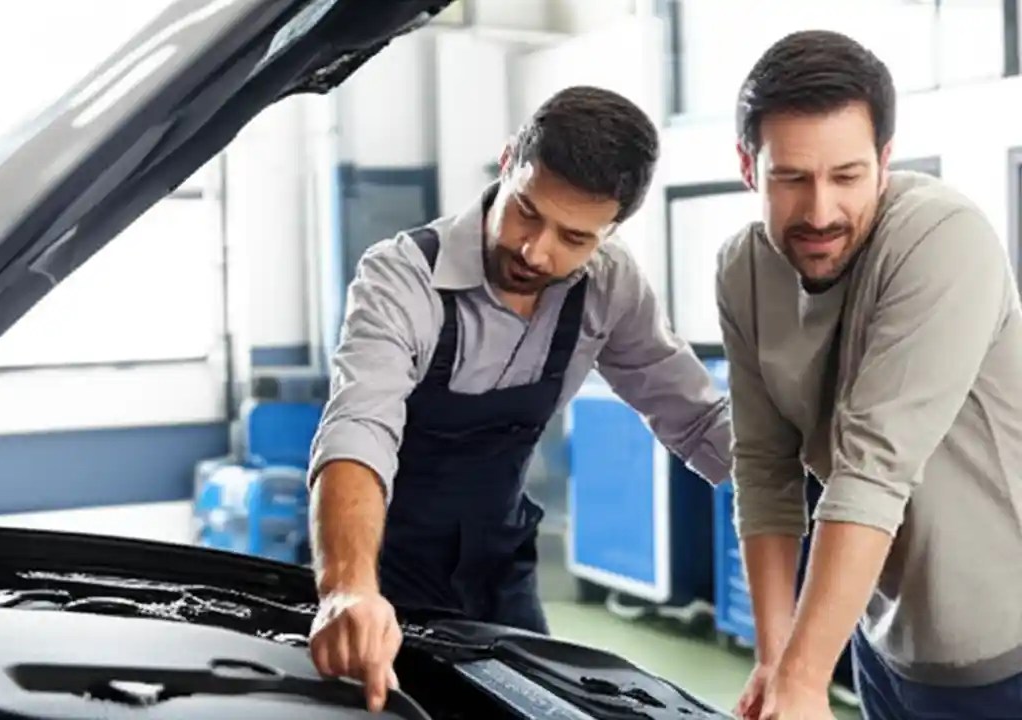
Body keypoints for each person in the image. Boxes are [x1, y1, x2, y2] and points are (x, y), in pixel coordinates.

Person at [305, 85, 733, 712]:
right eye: (527, 211)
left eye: (575, 237)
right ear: (508, 162)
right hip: (382, 573)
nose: (537, 251)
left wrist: (818, 506)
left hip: (503, 574)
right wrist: (347, 589)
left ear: (610, 230)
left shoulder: (609, 287)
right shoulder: (401, 277)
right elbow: (357, 428)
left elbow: (697, 420)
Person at [716, 29, 1022, 720]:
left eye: (847, 176)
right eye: (790, 178)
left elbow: (872, 467)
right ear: (747, 166)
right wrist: (778, 657)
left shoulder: (942, 238)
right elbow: (764, 468)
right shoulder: (743, 270)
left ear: (885, 160)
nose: (820, 212)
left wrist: (801, 678)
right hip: (877, 645)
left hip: (1007, 651)